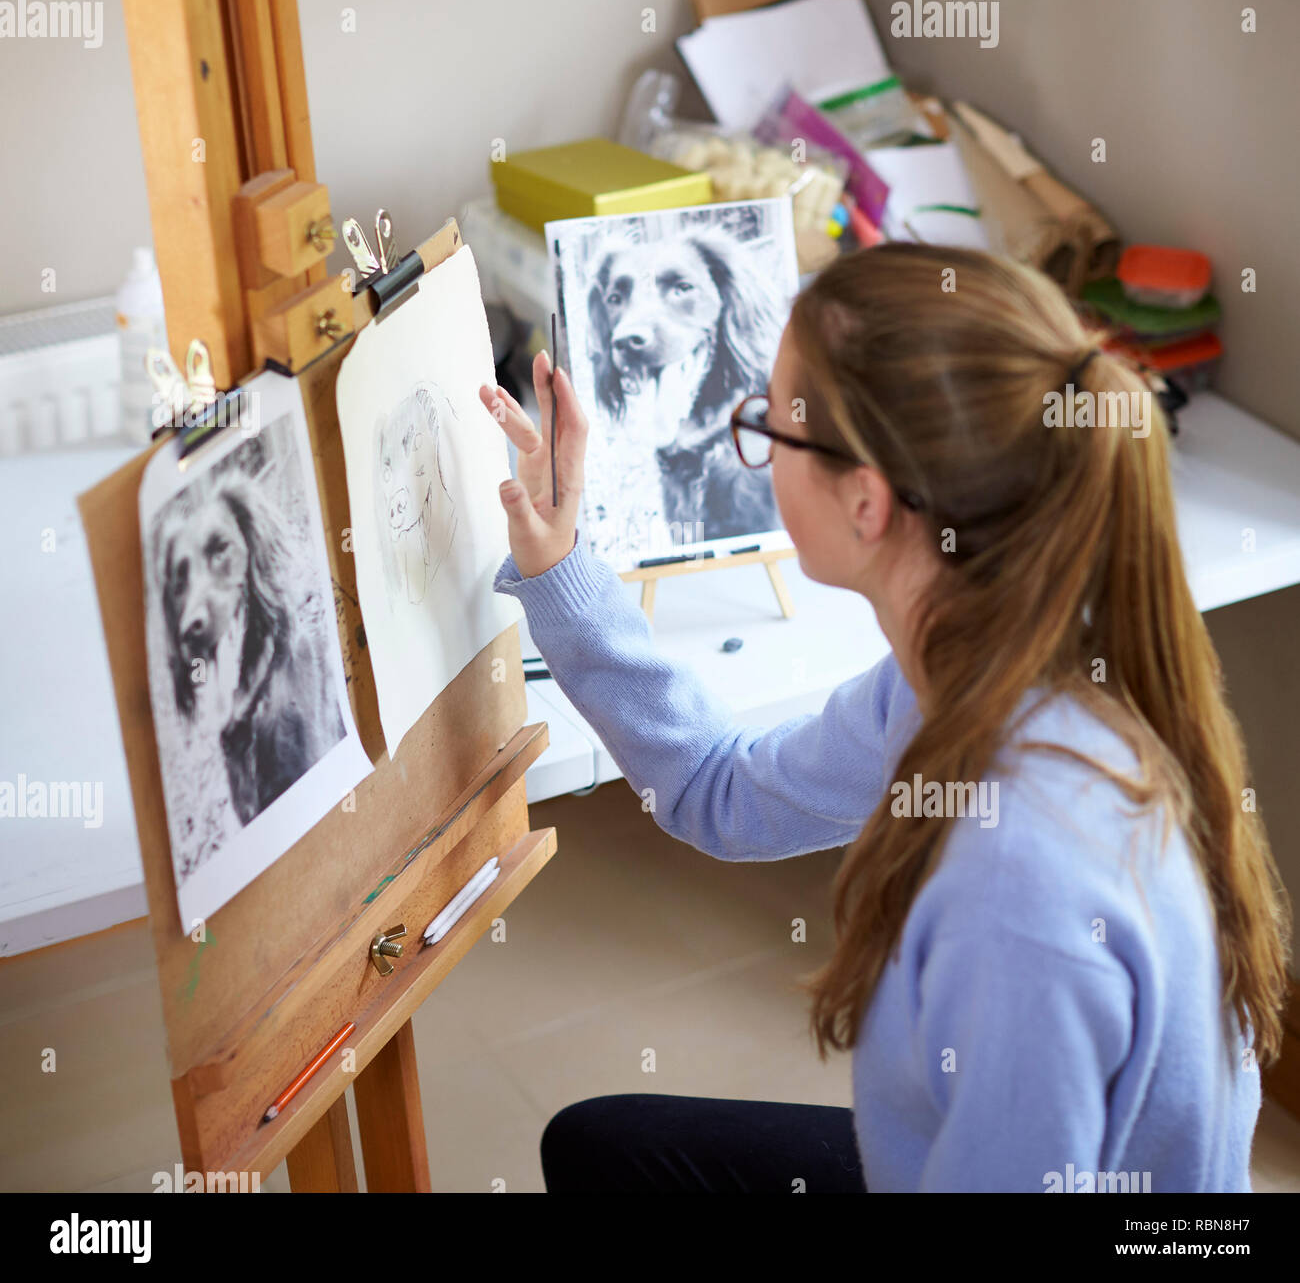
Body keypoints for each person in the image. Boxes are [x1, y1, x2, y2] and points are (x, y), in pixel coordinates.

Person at [476, 243, 1290, 1193]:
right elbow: (720, 789)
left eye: (767, 426)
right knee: (601, 1143)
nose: (754, 445)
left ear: (865, 501)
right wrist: (560, 565)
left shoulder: (1021, 888)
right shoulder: (979, 658)